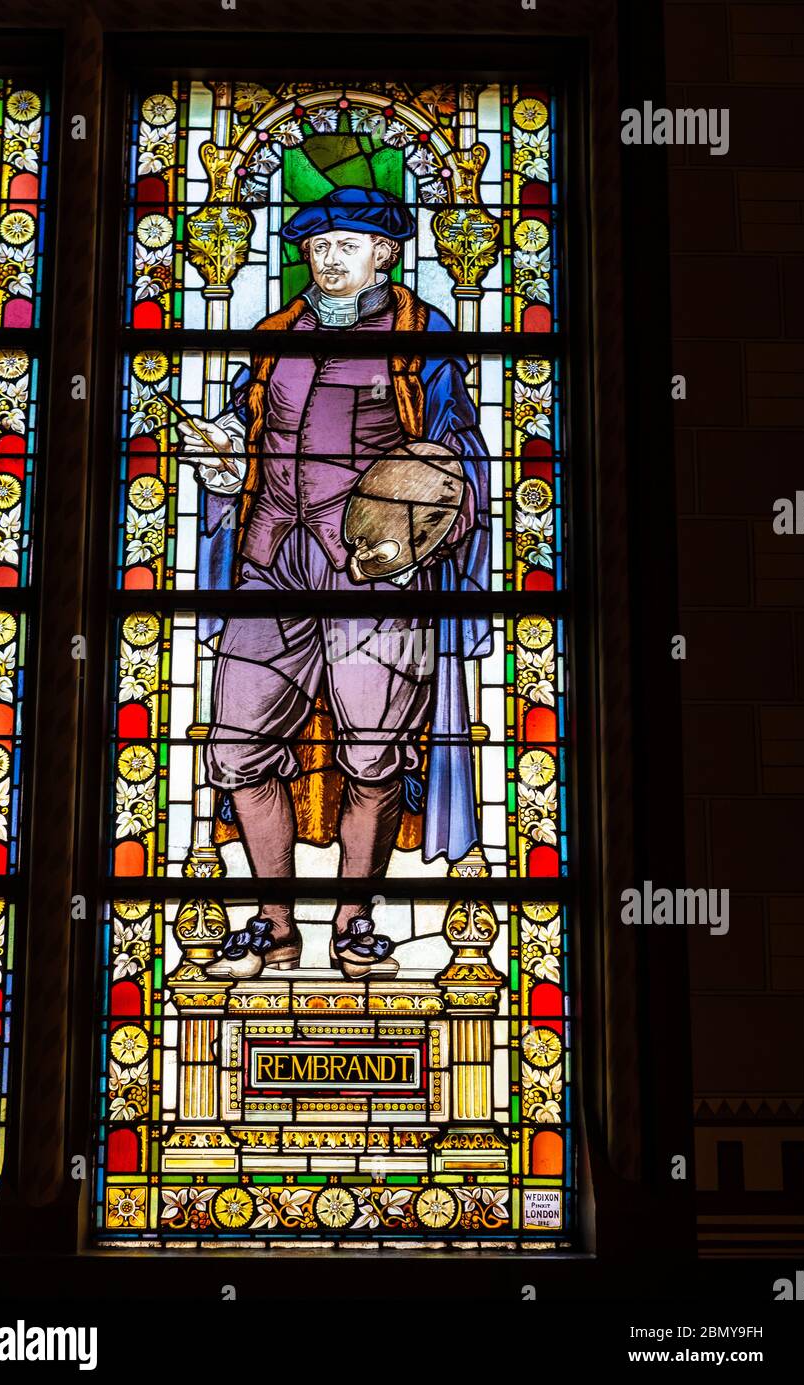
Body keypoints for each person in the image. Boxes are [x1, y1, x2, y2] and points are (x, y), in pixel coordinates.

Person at [177, 187, 491, 981]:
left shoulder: (423, 340)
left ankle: (355, 920)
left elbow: (459, 461)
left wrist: (424, 541)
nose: (330, 259)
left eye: (348, 245)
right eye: (318, 248)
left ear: (386, 254)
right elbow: (252, 436)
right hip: (270, 563)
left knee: (375, 755)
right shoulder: (276, 337)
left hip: (372, 580)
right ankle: (272, 922)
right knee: (237, 749)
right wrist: (221, 465)